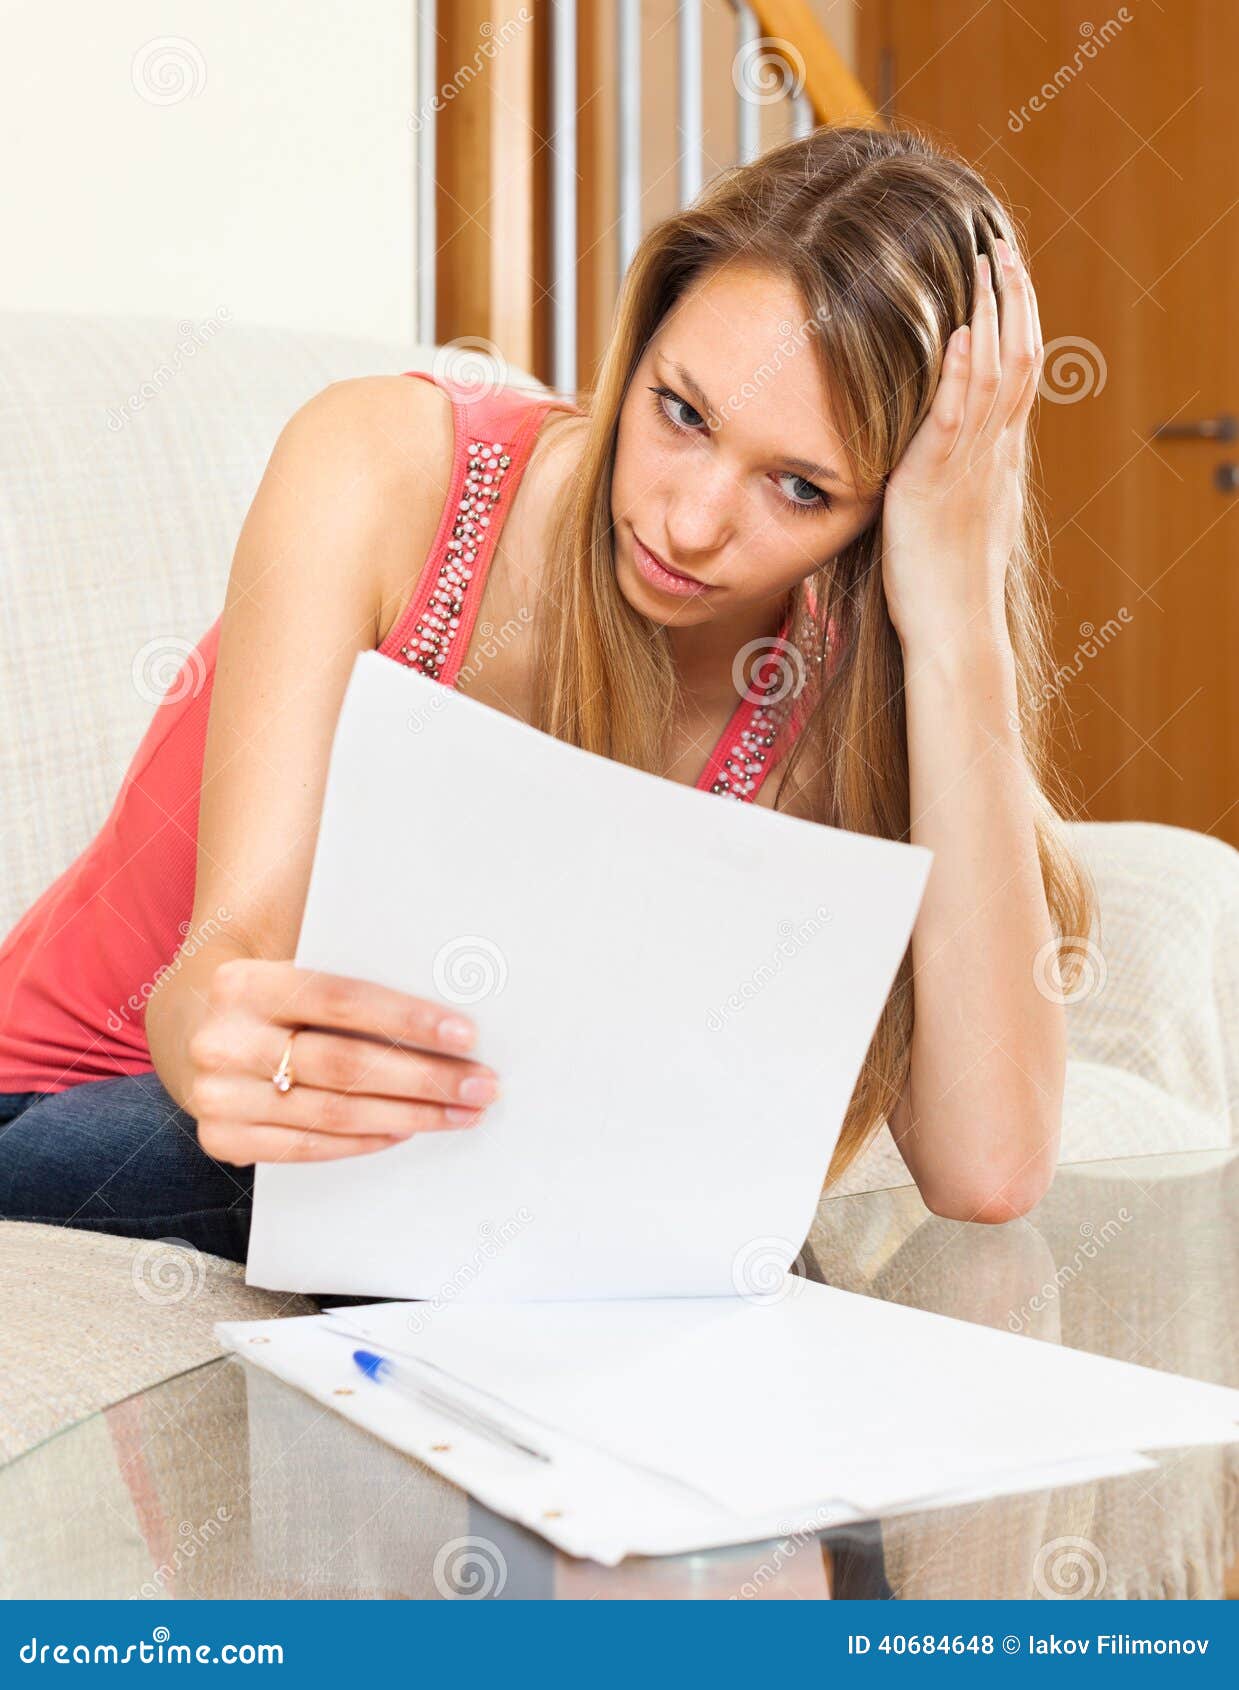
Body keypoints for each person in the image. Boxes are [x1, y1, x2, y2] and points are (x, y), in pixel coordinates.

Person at [0, 124, 1093, 1264]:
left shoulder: (814, 692)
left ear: (881, 518)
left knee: (686, 1225)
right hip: (86, 1114)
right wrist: (219, 1031)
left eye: (802, 488)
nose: (691, 522)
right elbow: (229, 954)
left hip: (461, 1161)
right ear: (641, 344)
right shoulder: (382, 468)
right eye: (682, 412)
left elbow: (988, 1167)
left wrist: (959, 622)